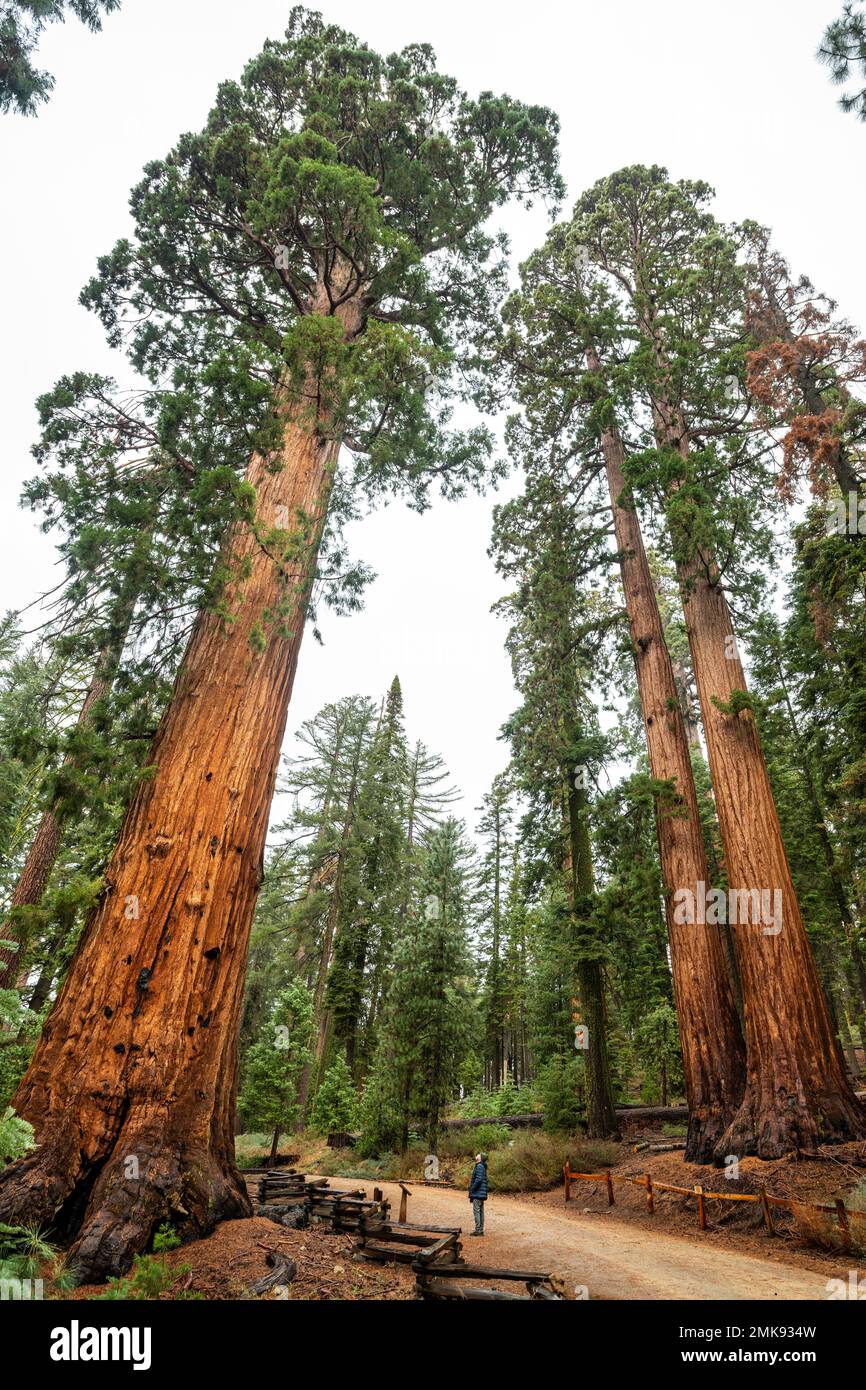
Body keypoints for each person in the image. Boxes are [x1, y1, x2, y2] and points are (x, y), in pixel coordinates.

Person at [468, 1151, 489, 1235]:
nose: (476, 1155)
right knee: (480, 1211)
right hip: (481, 1193)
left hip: (478, 1193)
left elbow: (478, 1179)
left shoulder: (480, 1166)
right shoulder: (481, 1166)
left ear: (480, 1158)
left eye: (478, 1154)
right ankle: (480, 1230)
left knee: (477, 1211)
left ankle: (478, 1230)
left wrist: (472, 1188)